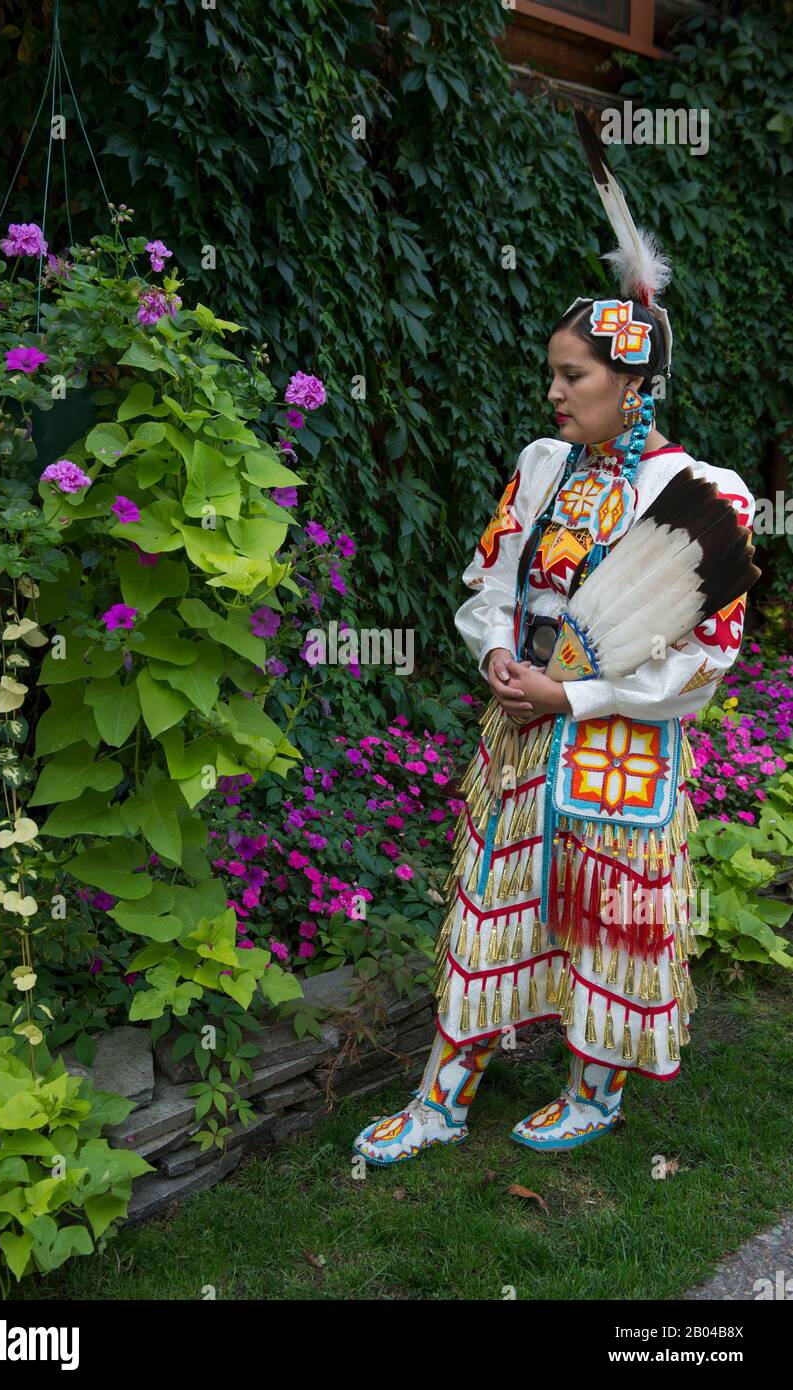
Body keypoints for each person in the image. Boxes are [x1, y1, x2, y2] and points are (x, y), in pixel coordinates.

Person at [352, 113, 757, 1165]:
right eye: (553, 372)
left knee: (610, 921)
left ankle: (595, 1091)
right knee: (486, 902)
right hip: (519, 723)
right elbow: (490, 579)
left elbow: (701, 663)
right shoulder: (541, 467)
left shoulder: (705, 497)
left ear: (634, 382)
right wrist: (496, 651)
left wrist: (572, 699)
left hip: (614, 747)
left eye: (572, 375)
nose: (552, 391)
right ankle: (440, 1099)